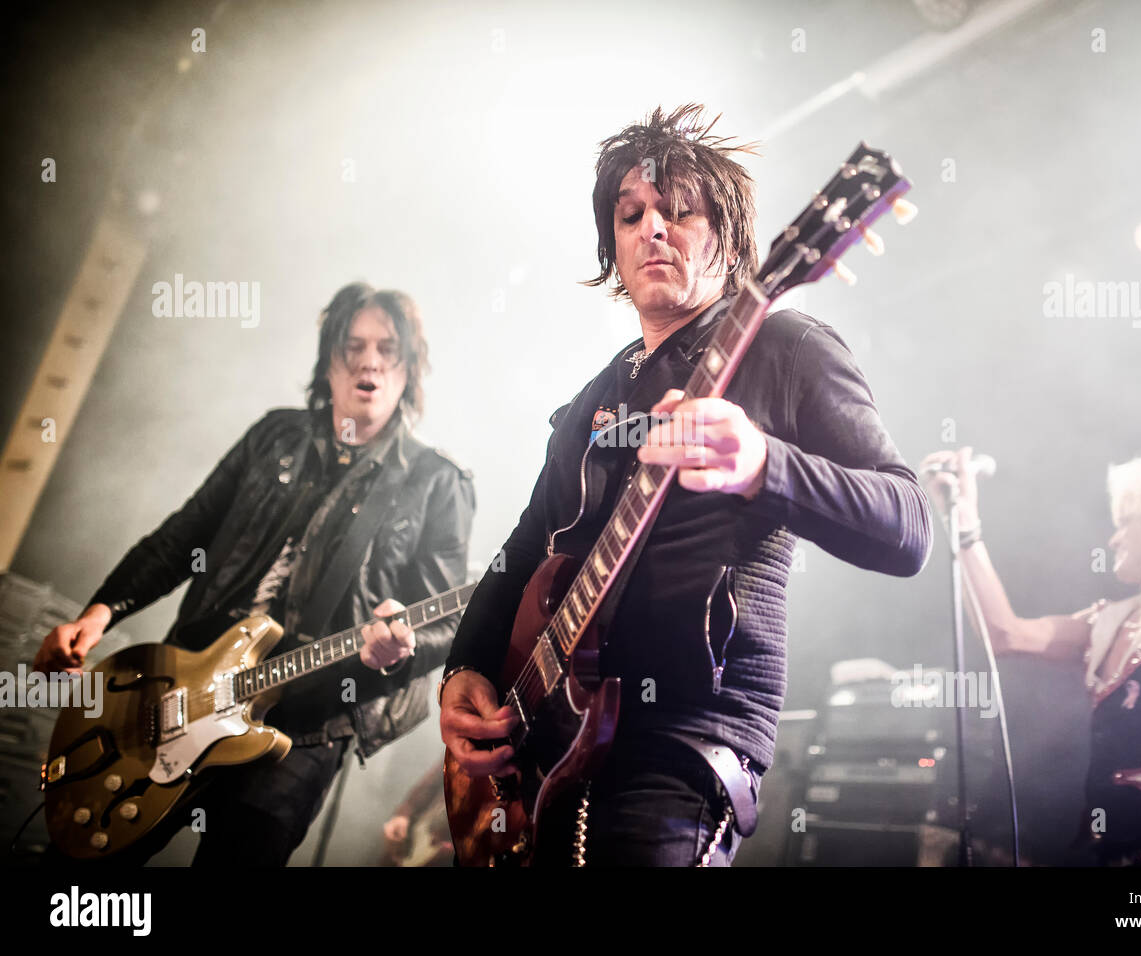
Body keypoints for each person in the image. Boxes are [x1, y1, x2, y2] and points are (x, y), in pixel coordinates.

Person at [430, 104, 932, 866]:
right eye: (630, 215)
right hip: (543, 753)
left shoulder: (786, 348)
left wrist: (765, 464)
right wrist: (463, 667)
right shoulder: (593, 397)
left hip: (683, 748)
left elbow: (909, 524)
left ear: (729, 238)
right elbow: (525, 547)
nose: (651, 228)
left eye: (679, 211)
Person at [34, 281, 475, 866]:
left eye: (387, 348)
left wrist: (399, 647)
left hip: (304, 729)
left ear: (408, 366)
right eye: (353, 345)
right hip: (184, 688)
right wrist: (100, 611)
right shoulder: (275, 437)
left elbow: (449, 620)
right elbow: (184, 533)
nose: (369, 360)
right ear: (330, 361)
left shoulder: (436, 483)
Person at [921, 439, 1141, 865]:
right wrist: (963, 523)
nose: (1113, 538)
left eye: (1127, 523)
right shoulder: (1111, 622)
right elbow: (1004, 634)